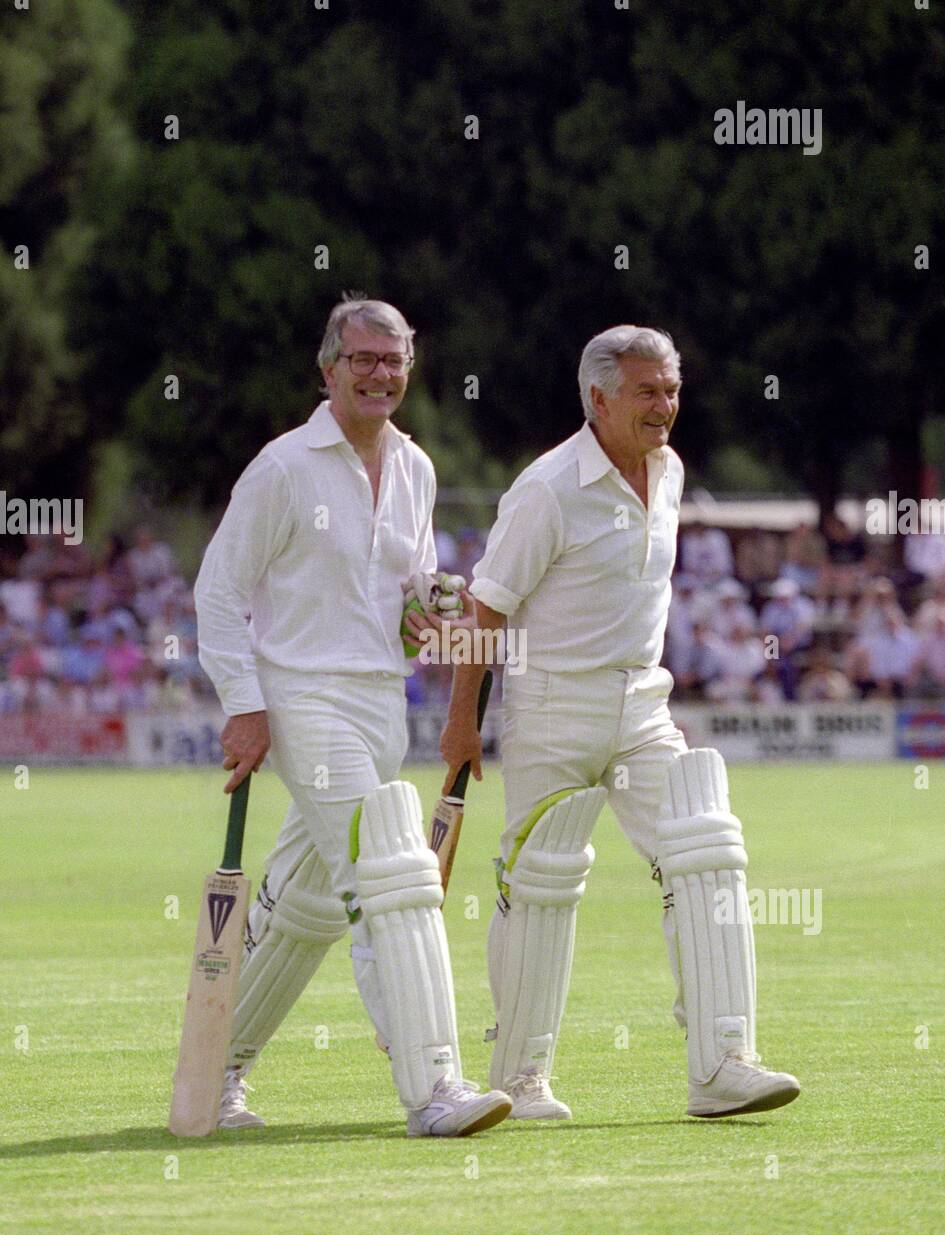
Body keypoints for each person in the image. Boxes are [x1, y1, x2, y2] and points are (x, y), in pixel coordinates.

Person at [439, 325, 800, 1121]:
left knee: (705, 847)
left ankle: (721, 1062)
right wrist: (461, 721)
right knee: (540, 883)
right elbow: (485, 605)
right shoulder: (547, 487)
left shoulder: (668, 470)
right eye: (646, 392)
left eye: (670, 390)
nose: (664, 407)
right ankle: (519, 1077)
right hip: (550, 705)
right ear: (597, 398)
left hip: (642, 703)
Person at [193, 295, 511, 1139]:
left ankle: (215, 1072)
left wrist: (432, 622)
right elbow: (218, 591)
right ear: (327, 368)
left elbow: (415, 591)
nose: (379, 374)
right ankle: (433, 1083)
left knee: (309, 903)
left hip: (380, 700)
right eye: (362, 359)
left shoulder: (415, 466)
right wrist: (245, 707)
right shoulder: (283, 467)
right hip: (301, 695)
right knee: (390, 874)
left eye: (393, 360)